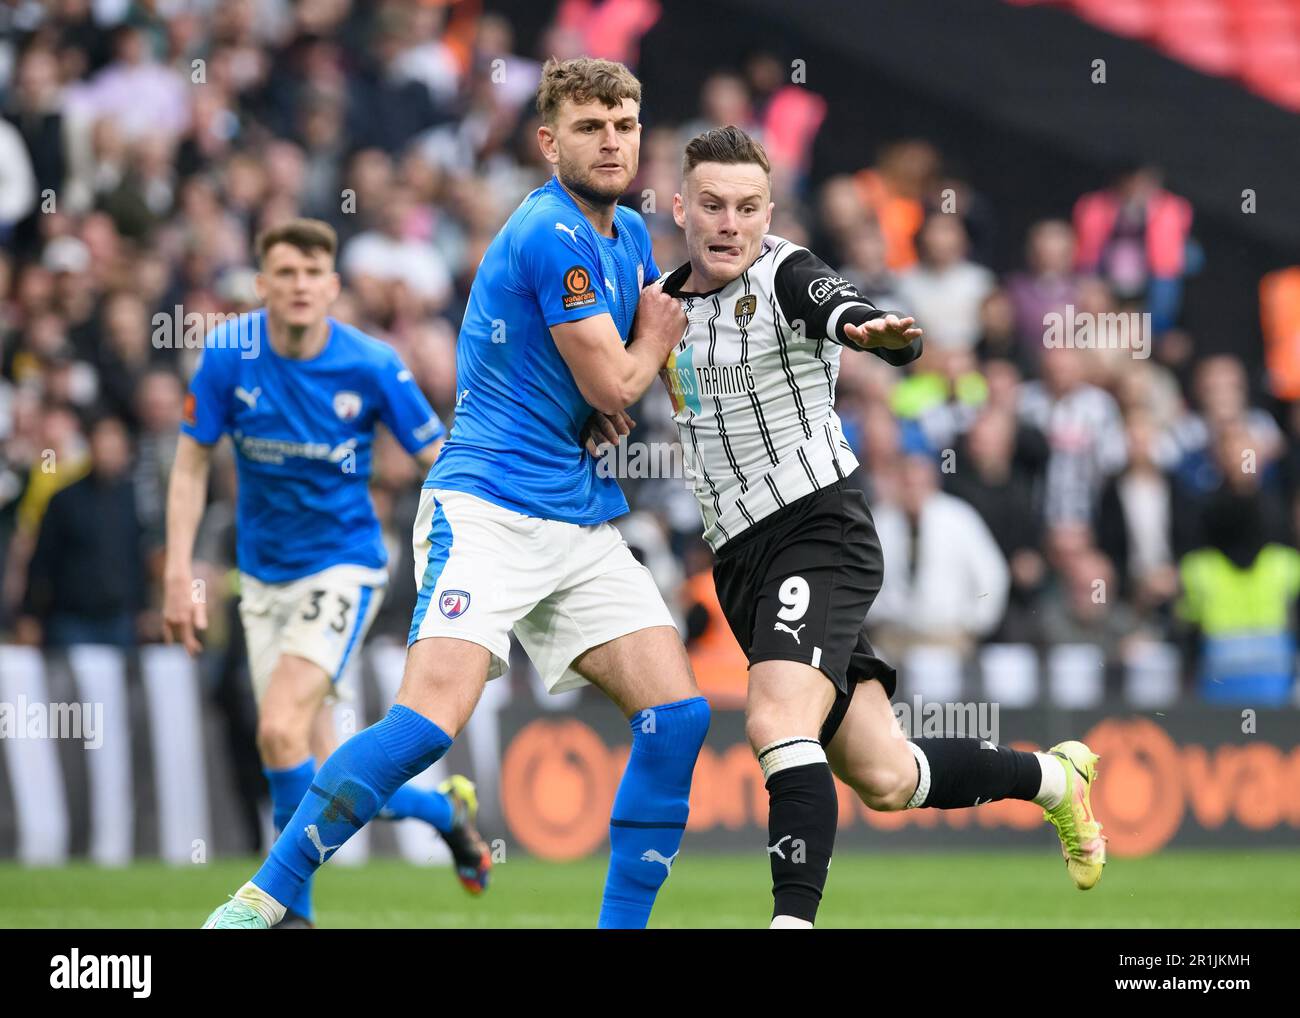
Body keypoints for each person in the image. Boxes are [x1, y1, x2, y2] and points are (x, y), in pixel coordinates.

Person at [203, 57, 710, 931]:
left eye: (625, 124)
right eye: (590, 126)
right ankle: (264, 896)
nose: (613, 141)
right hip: (487, 507)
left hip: (577, 513)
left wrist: (641, 383)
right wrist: (644, 353)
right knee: (428, 723)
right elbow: (621, 378)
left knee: (679, 715)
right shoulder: (550, 231)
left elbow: (631, 378)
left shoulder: (628, 234)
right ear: (549, 141)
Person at [657, 125, 1106, 929]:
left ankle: (789, 924)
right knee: (888, 777)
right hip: (740, 560)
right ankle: (1052, 780)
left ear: (770, 213)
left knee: (773, 718)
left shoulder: (787, 272)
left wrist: (873, 330)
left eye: (749, 207)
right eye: (714, 205)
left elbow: (841, 308)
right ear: (681, 207)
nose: (730, 223)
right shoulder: (660, 307)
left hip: (815, 527)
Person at [166, 218, 487, 928]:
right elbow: (191, 464)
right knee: (313, 768)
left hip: (344, 568)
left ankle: (290, 914)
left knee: (278, 730)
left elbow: (443, 455)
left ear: (333, 285)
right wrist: (178, 574)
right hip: (261, 580)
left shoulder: (372, 363)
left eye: (314, 274)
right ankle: (441, 810)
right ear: (263, 285)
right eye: (285, 273)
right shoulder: (227, 355)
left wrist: (491, 538)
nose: (301, 286)